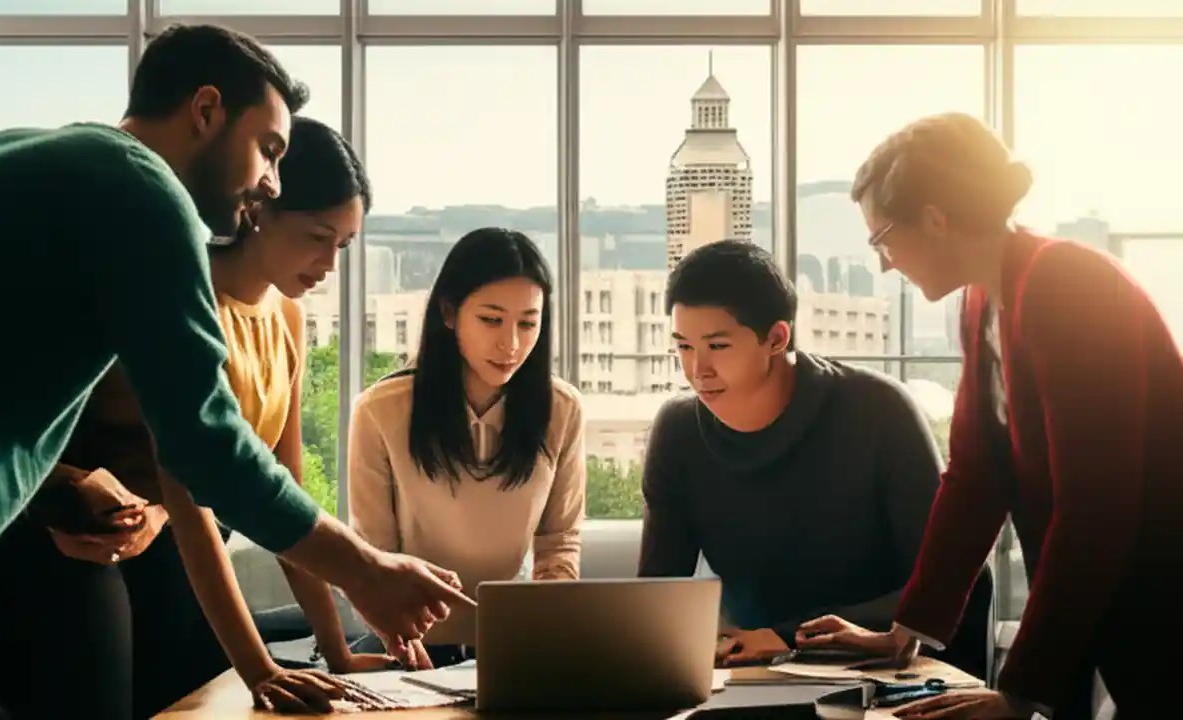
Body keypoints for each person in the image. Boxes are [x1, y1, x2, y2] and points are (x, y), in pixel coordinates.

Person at [0, 23, 467, 720]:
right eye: (268, 149)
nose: (272, 183)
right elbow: (203, 442)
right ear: (206, 111)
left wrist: (48, 490)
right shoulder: (147, 196)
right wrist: (365, 570)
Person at [0, 117, 394, 719]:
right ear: (257, 210)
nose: (329, 262)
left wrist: (337, 651)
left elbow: (286, 488)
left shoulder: (288, 319)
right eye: (316, 237)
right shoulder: (176, 296)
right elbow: (186, 485)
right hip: (76, 537)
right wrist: (260, 670)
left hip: (175, 544)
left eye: (343, 246)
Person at [796, 112, 1183, 719]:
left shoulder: (1063, 282)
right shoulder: (984, 299)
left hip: (1160, 591)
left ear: (935, 218)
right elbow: (975, 475)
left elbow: (1096, 505)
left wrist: (1019, 692)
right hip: (1111, 595)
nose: (884, 263)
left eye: (882, 238)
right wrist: (908, 631)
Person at [638, 239, 990, 677]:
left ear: (776, 338)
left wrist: (786, 637)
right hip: (754, 675)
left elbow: (957, 585)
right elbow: (655, 597)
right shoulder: (677, 430)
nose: (697, 370)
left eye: (718, 346)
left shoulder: (877, 410)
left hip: (882, 670)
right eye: (684, 347)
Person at [348, 227, 586, 668]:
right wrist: (400, 638)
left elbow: (558, 540)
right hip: (406, 641)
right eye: (491, 320)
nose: (511, 344)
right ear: (450, 312)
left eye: (528, 323)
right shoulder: (381, 411)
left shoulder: (562, 409)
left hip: (509, 640)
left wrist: (551, 622)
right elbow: (375, 555)